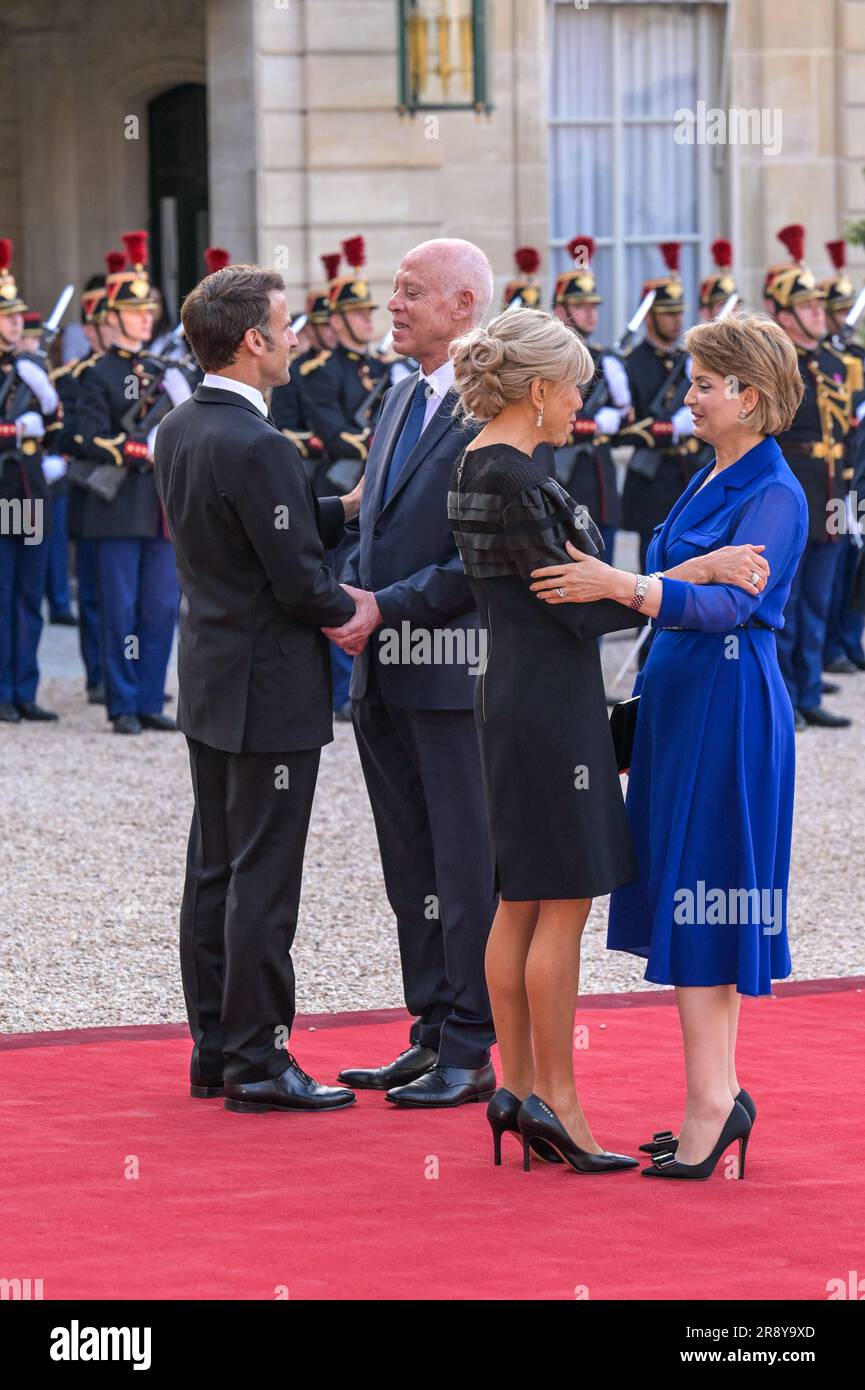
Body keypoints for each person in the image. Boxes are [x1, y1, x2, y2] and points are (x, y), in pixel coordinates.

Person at [530, 310, 808, 1180]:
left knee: (709, 894)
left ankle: (709, 1107)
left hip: (727, 705)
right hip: (684, 699)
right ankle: (717, 1095)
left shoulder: (773, 490)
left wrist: (624, 583)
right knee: (695, 890)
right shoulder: (713, 473)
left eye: (701, 384)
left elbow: (732, 606)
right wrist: (660, 580)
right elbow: (692, 585)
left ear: (749, 396)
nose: (685, 396)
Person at [329, 238, 554, 1108]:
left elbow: (488, 556)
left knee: (466, 868)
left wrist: (386, 605)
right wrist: (339, 595)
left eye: (410, 293)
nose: (392, 304)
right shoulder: (396, 397)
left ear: (464, 305)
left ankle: (471, 1042)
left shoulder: (501, 407)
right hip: (384, 673)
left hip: (457, 674)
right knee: (409, 864)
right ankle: (429, 1030)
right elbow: (375, 528)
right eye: (393, 291)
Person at [154, 262, 364, 1114]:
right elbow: (298, 584)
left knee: (215, 868)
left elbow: (254, 525)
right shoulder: (260, 443)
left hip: (210, 671)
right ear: (253, 340)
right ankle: (259, 1059)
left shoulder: (182, 426)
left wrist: (345, 508)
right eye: (286, 323)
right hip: (269, 684)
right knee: (263, 878)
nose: (296, 335)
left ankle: (215, 1049)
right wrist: (359, 609)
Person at [447, 308, 643, 1173]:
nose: (579, 407)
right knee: (558, 898)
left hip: (518, 696)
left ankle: (517, 1087)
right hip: (550, 704)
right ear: (537, 391)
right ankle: (557, 1100)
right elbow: (580, 601)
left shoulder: (477, 465)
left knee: (518, 900)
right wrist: (671, 583)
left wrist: (619, 584)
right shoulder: (517, 477)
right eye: (572, 391)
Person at [75, 231, 182, 734]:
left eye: (148, 310)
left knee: (160, 607)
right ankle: (121, 702)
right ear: (111, 316)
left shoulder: (165, 370)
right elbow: (83, 437)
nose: (145, 317)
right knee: (119, 610)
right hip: (116, 504)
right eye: (134, 310)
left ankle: (146, 697)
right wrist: (135, 447)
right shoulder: (94, 374)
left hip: (160, 507)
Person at [766, 225, 854, 729]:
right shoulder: (782, 365)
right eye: (808, 305)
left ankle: (809, 690)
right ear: (784, 314)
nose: (819, 312)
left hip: (833, 488)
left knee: (821, 595)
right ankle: (784, 699)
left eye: (821, 305)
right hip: (795, 486)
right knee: (789, 598)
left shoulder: (834, 363)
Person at [0, 236, 63, 723]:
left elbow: (59, 423)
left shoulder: (30, 366)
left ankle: (24, 688)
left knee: (28, 594)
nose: (17, 322)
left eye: (18, 315)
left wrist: (49, 440)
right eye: (8, 316)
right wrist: (14, 428)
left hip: (30, 492)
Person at [618, 243, 702, 571]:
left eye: (680, 311)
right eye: (668, 312)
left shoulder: (688, 360)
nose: (677, 319)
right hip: (651, 481)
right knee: (653, 566)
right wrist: (668, 428)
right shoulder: (633, 363)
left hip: (687, 472)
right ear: (650, 316)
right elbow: (629, 426)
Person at [551, 235, 630, 560]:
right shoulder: (550, 359)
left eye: (594, 306)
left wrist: (619, 416)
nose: (590, 313)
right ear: (560, 310)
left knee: (606, 557)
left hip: (602, 480)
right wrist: (596, 424)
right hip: (567, 475)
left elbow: (631, 417)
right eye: (581, 306)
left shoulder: (605, 359)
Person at [821, 238, 865, 674]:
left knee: (856, 561)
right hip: (837, 478)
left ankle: (848, 639)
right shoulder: (826, 362)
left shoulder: (855, 358)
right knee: (833, 568)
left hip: (857, 472)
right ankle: (830, 646)